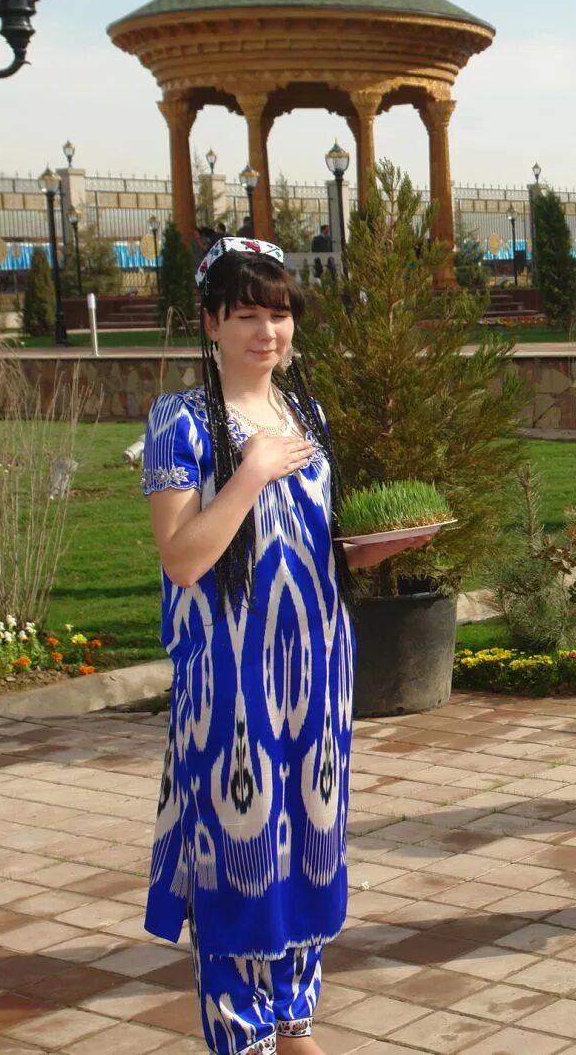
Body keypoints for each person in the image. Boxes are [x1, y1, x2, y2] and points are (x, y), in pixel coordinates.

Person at [142, 237, 430, 1055]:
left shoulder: (308, 416)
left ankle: (294, 1016)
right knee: (240, 845)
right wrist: (250, 471)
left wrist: (369, 551)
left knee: (309, 837)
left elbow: (307, 542)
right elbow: (184, 556)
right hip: (232, 675)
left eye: (279, 313)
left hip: (317, 666)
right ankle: (240, 1032)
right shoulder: (182, 420)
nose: (267, 331)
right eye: (246, 314)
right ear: (210, 323)